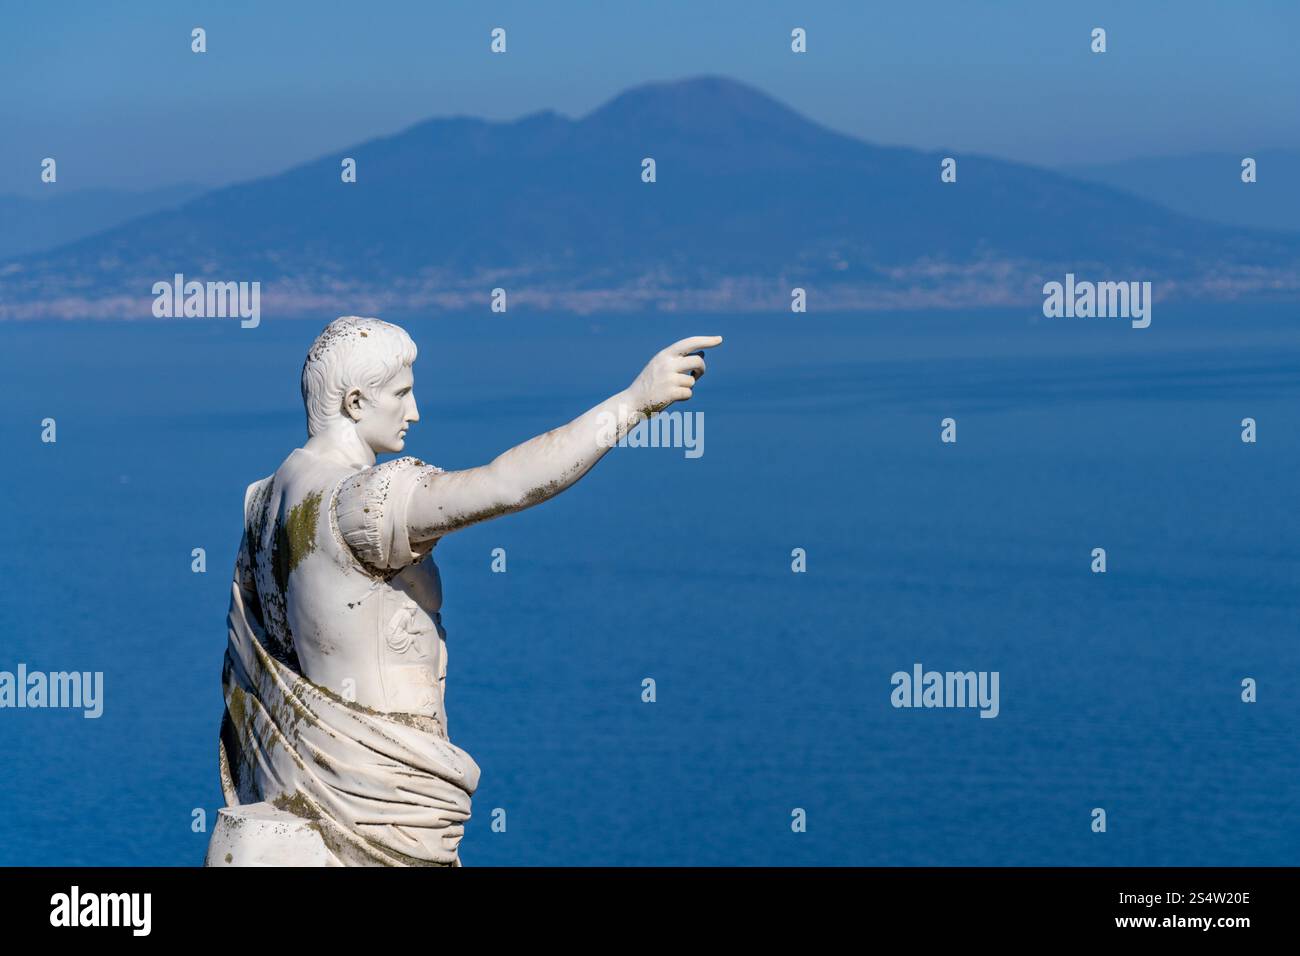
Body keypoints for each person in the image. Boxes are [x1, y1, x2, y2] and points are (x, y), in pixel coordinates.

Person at [215, 315, 721, 865]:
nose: (415, 411)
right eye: (402, 393)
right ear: (355, 402)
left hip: (306, 788)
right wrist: (632, 404)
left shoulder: (263, 500)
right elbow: (508, 485)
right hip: (386, 799)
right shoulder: (362, 501)